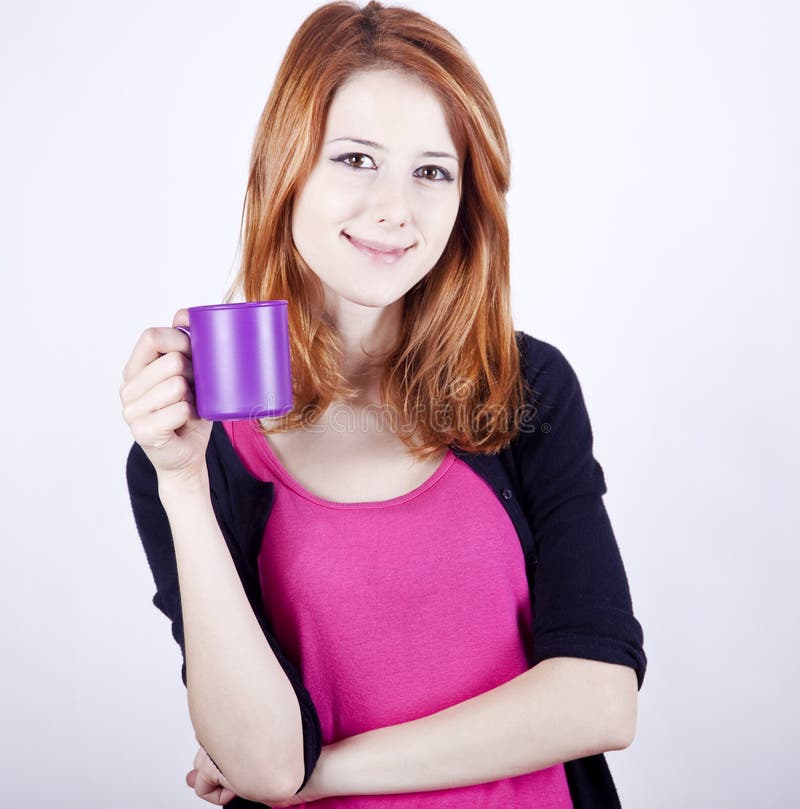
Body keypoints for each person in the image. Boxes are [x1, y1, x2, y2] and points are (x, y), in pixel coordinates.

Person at [120, 2, 647, 807]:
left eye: (432, 170)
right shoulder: (197, 450)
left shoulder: (525, 389)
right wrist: (182, 483)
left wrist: (320, 770)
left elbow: (601, 696)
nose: (394, 208)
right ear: (284, 165)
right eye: (357, 159)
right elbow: (261, 760)